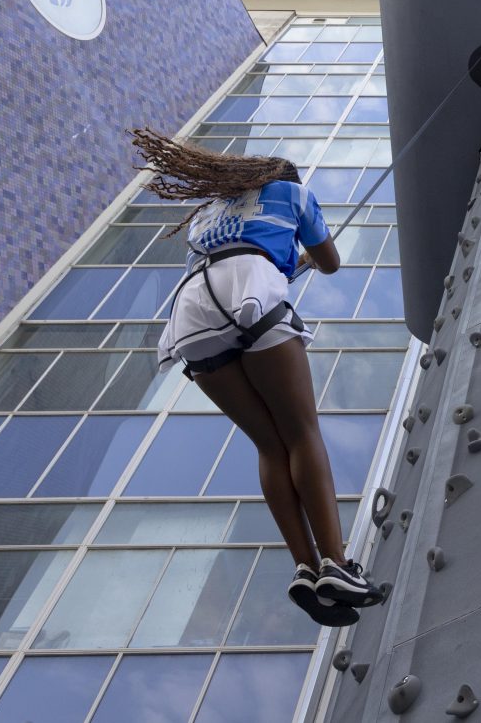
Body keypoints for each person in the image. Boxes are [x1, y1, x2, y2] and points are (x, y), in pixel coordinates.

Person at [133, 128, 383, 626]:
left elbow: (232, 254)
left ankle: (305, 567)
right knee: (301, 433)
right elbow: (330, 263)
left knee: (271, 447)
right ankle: (337, 563)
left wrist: (284, 261)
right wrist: (307, 255)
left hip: (193, 308)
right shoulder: (295, 193)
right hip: (251, 290)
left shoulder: (209, 214)